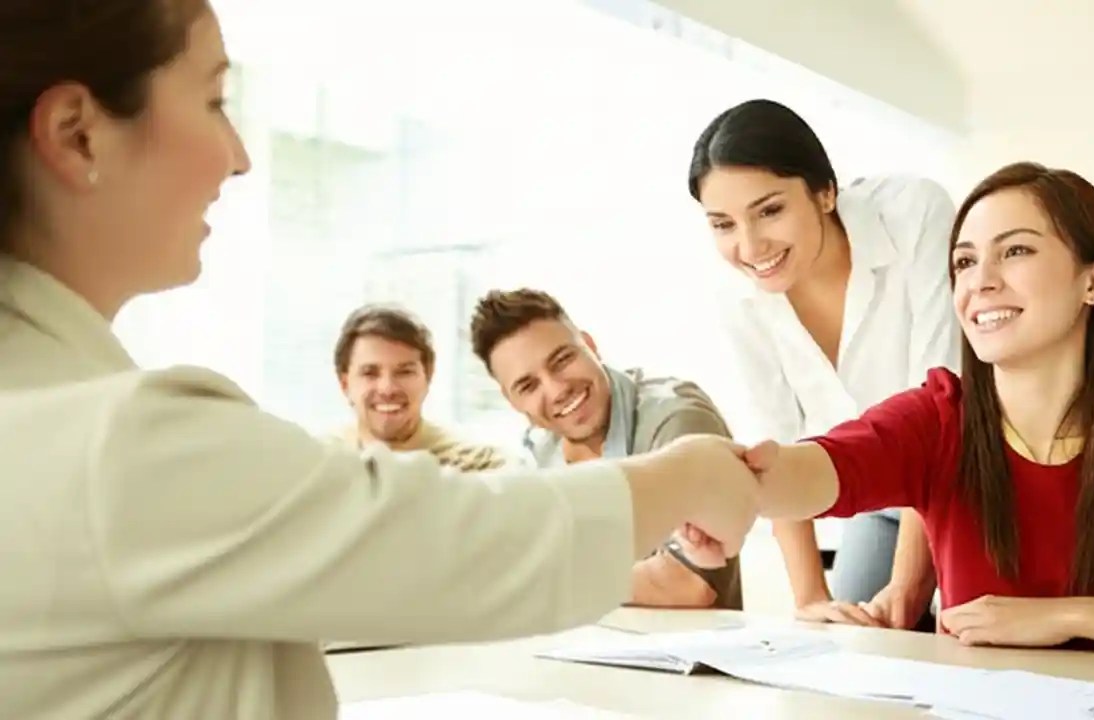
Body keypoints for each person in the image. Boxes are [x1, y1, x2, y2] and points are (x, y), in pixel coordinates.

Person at [0, 3, 759, 718]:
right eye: (213, 101)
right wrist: (692, 475)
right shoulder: (119, 442)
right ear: (78, 135)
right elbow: (469, 545)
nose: (236, 159)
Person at [726, 161, 1094, 667]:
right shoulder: (939, 417)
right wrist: (705, 483)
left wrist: (1068, 617)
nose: (981, 281)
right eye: (965, 261)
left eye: (1015, 251)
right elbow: (802, 471)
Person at [688, 98, 960, 628]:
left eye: (770, 211)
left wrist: (906, 589)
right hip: (876, 500)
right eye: (723, 224)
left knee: (958, 642)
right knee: (852, 650)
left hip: (965, 485)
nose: (750, 246)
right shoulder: (740, 299)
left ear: (826, 192)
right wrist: (810, 598)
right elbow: (776, 449)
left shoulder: (913, 214)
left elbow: (943, 408)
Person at [470, 288, 743, 609]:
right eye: (528, 386)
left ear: (590, 345)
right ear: (513, 401)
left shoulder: (676, 420)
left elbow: (688, 583)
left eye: (562, 360)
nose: (557, 389)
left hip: (685, 654)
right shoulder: (539, 451)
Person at [333, 302, 508, 470]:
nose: (387, 389)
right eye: (370, 373)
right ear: (345, 384)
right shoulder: (319, 467)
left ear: (428, 376)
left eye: (404, 372)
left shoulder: (479, 465)